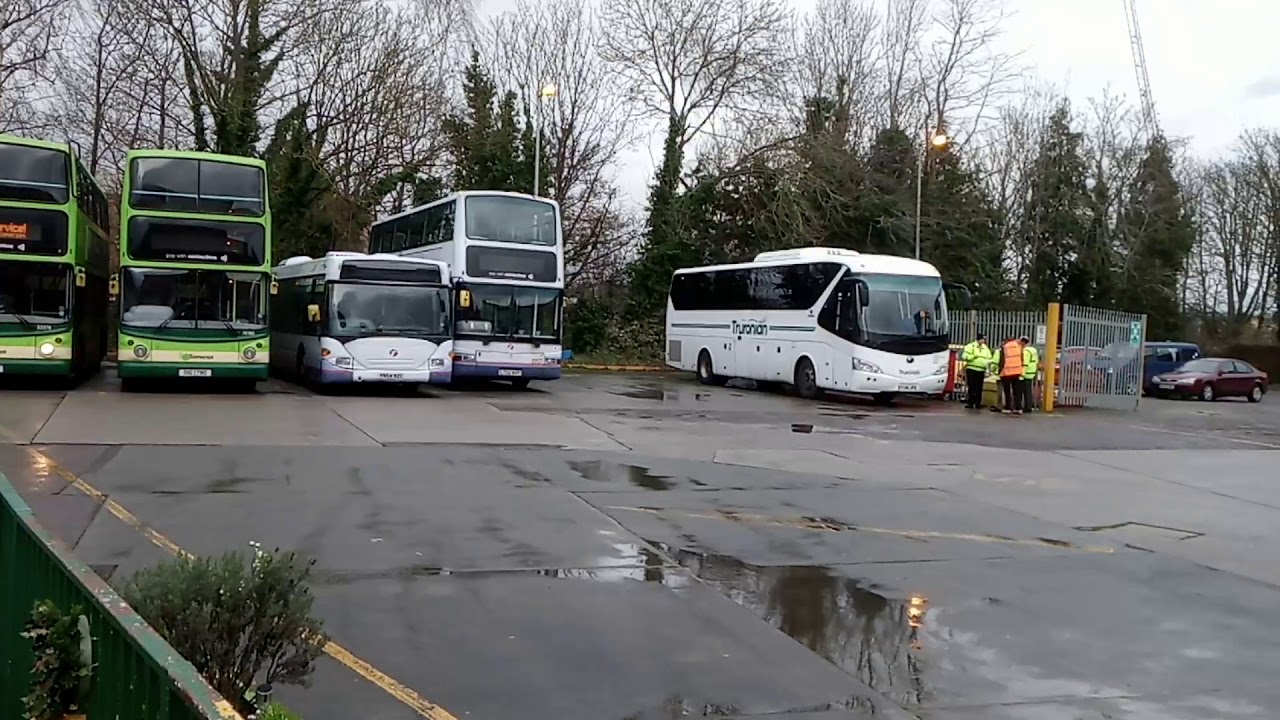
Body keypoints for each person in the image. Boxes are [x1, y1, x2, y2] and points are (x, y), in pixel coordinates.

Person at [960, 333, 994, 409]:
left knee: (979, 387)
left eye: (984, 339)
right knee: (971, 386)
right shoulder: (970, 346)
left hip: (981, 370)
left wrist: (987, 364)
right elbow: (964, 356)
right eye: (982, 339)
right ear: (978, 339)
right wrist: (973, 356)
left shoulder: (985, 348)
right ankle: (970, 403)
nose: (983, 341)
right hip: (971, 369)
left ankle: (978, 403)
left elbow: (989, 358)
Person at [994, 336, 1025, 415]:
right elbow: (1022, 359)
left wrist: (1000, 371)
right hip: (1017, 371)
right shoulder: (1019, 347)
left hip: (1007, 372)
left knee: (1007, 391)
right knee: (1017, 391)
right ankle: (1018, 408)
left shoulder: (1005, 347)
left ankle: (1008, 407)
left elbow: (1002, 361)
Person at [1020, 336, 1040, 413]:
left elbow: (1025, 364)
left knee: (1025, 391)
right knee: (1028, 390)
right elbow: (1036, 361)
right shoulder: (1034, 350)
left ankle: (1027, 407)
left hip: (1026, 373)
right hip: (1032, 372)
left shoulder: (1026, 351)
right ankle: (1029, 405)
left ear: (1023, 342)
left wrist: (1022, 374)